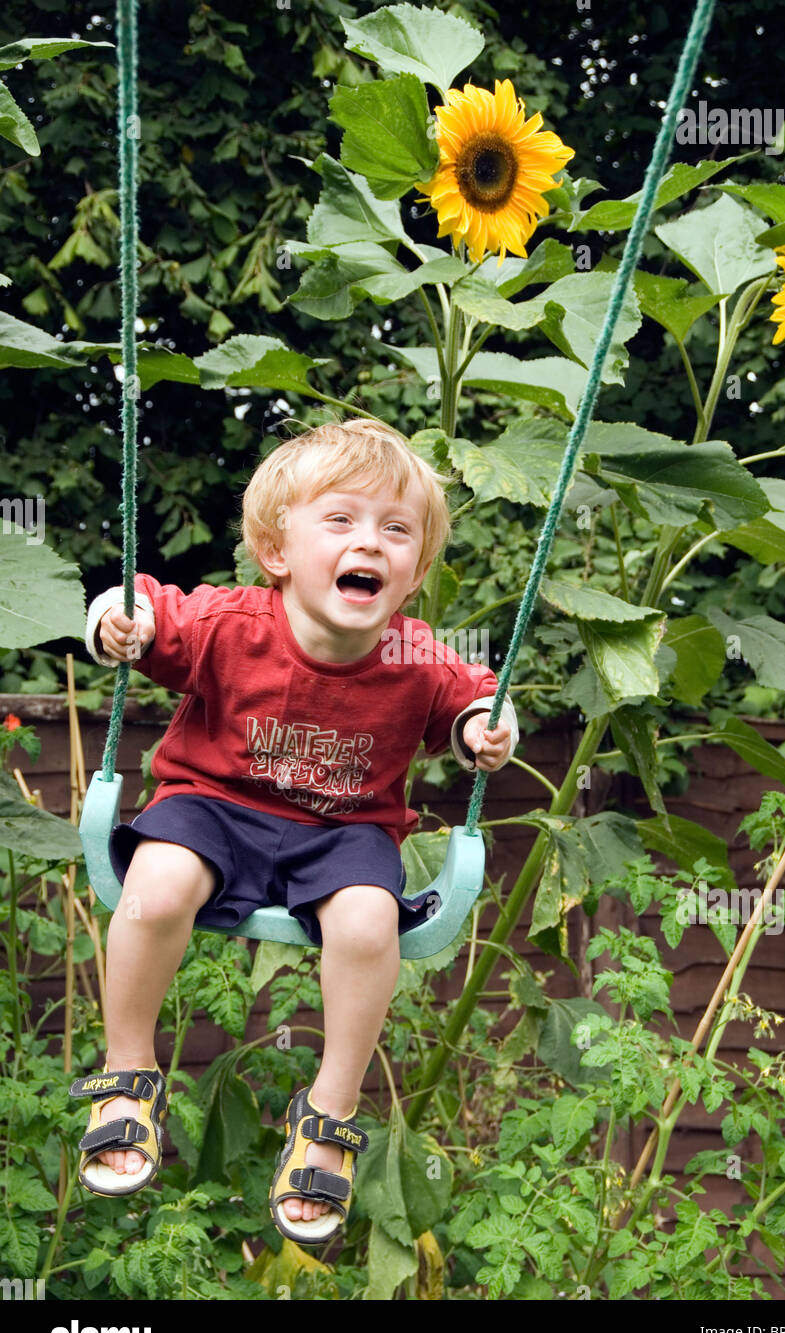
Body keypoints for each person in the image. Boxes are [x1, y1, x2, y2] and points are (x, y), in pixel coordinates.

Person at [74, 418, 518, 1245]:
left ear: (415, 570)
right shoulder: (229, 627)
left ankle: (328, 1114)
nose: (371, 544)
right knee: (157, 885)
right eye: (342, 521)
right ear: (278, 550)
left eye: (396, 530)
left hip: (344, 831)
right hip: (212, 805)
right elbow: (137, 606)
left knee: (367, 921)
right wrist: (114, 626)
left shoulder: (414, 655)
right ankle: (127, 1072)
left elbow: (476, 700)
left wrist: (486, 731)